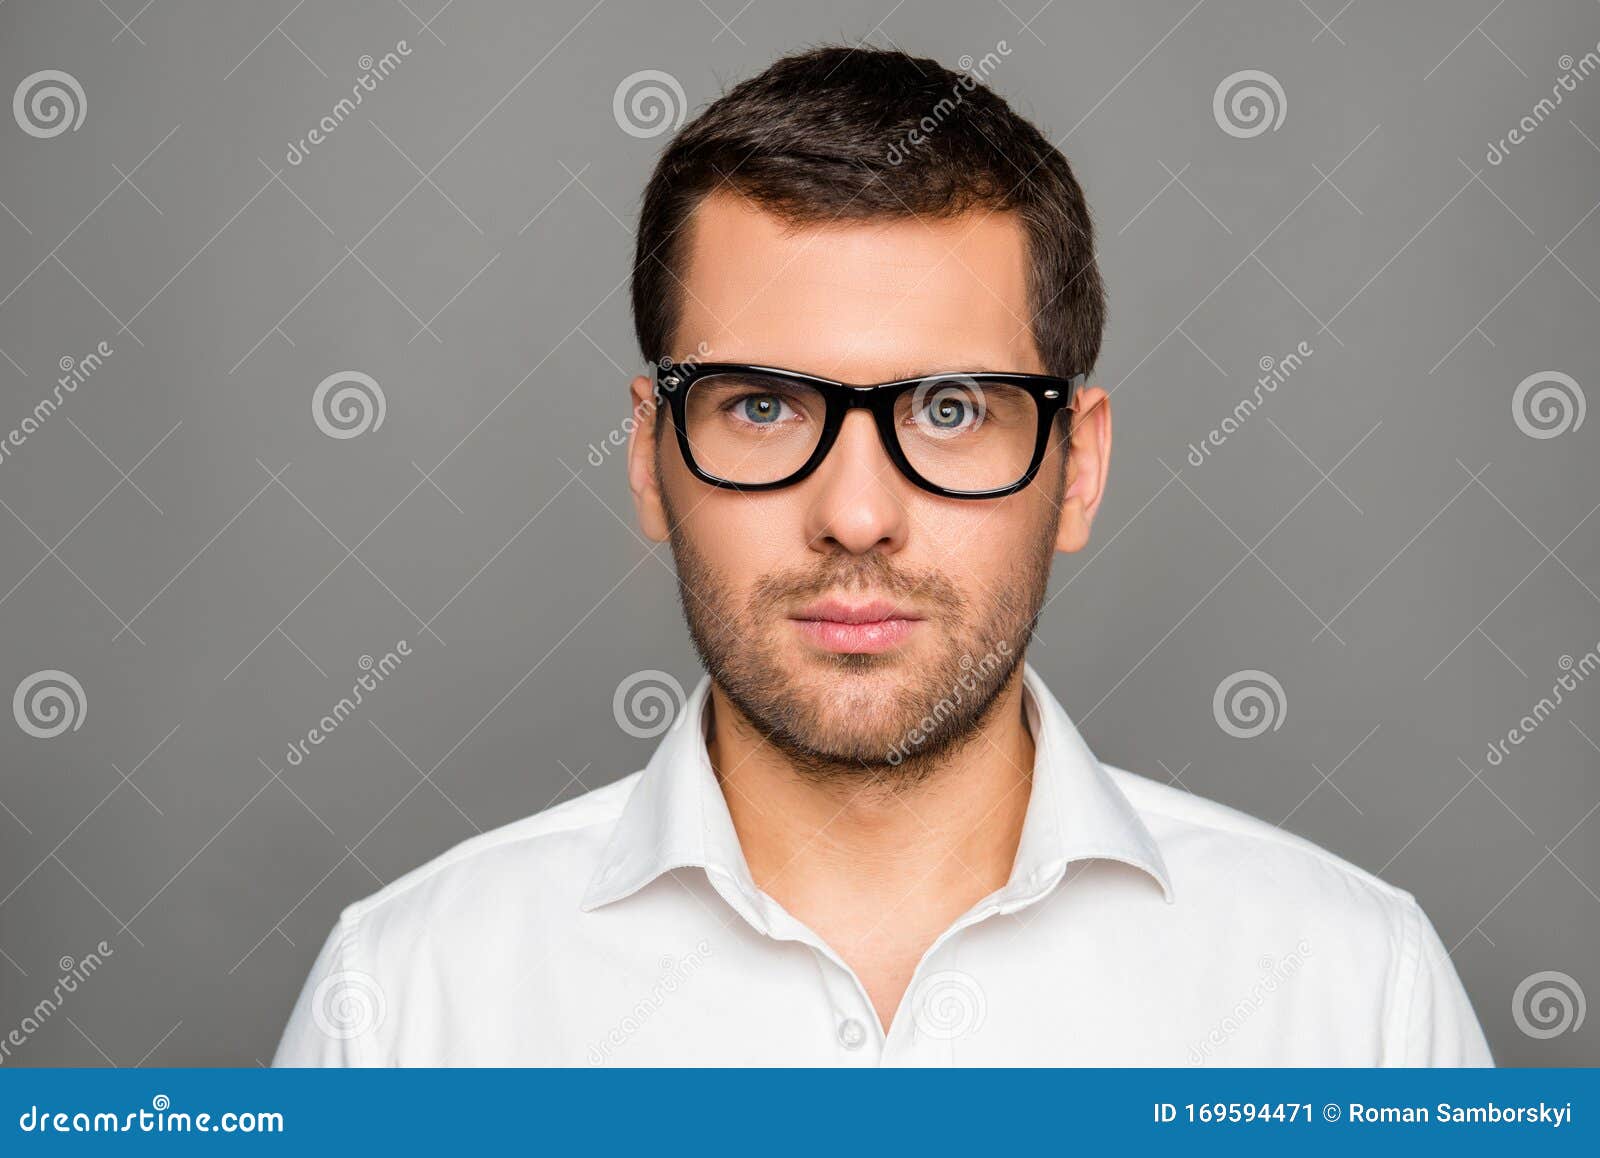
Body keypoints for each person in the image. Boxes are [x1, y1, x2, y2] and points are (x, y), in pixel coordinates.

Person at [274, 45, 1491, 1066]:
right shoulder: (404, 1007)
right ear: (651, 459)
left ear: (1080, 469)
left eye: (951, 410)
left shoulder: (1350, 1000)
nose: (856, 516)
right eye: (763, 409)